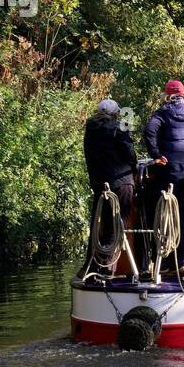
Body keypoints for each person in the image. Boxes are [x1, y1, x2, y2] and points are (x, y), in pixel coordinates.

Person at [143, 80, 184, 274]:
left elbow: (149, 131)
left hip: (169, 166)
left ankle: (163, 260)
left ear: (166, 95)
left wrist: (156, 155)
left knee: (163, 210)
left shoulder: (163, 112)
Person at [83, 99, 139, 269]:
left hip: (99, 183)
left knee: (99, 224)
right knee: (117, 223)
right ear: (115, 113)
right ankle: (108, 268)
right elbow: (130, 154)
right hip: (121, 182)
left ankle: (91, 266)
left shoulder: (90, 131)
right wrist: (135, 168)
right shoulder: (119, 128)